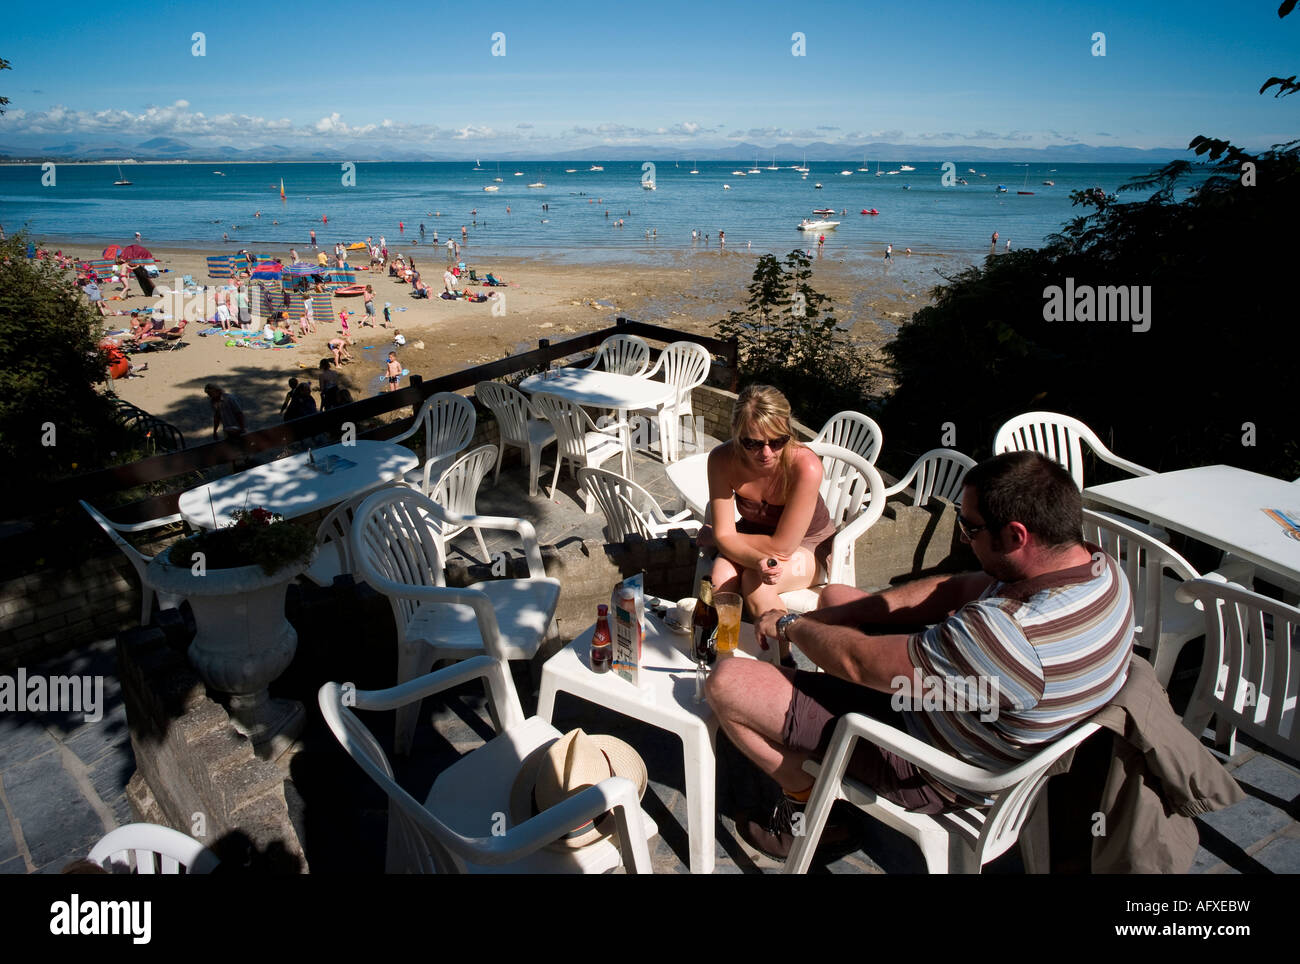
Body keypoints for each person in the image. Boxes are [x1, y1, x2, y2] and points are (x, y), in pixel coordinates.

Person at [708, 450, 1135, 861]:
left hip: (933, 765)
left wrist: (789, 625)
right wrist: (839, 614)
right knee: (835, 595)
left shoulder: (1010, 634)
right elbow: (957, 588)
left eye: (970, 529)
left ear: (1016, 535)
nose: (966, 540)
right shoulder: (1101, 570)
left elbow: (862, 664)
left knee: (727, 684)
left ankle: (812, 808)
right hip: (973, 712)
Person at [698, 386, 837, 663]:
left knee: (755, 582)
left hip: (808, 544)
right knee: (720, 577)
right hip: (753, 535)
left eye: (777, 441)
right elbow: (727, 534)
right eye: (752, 443)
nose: (766, 453)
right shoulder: (721, 460)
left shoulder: (805, 466)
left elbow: (783, 547)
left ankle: (783, 661)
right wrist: (728, 540)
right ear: (737, 433)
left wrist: (724, 539)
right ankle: (724, 651)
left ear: (788, 432)